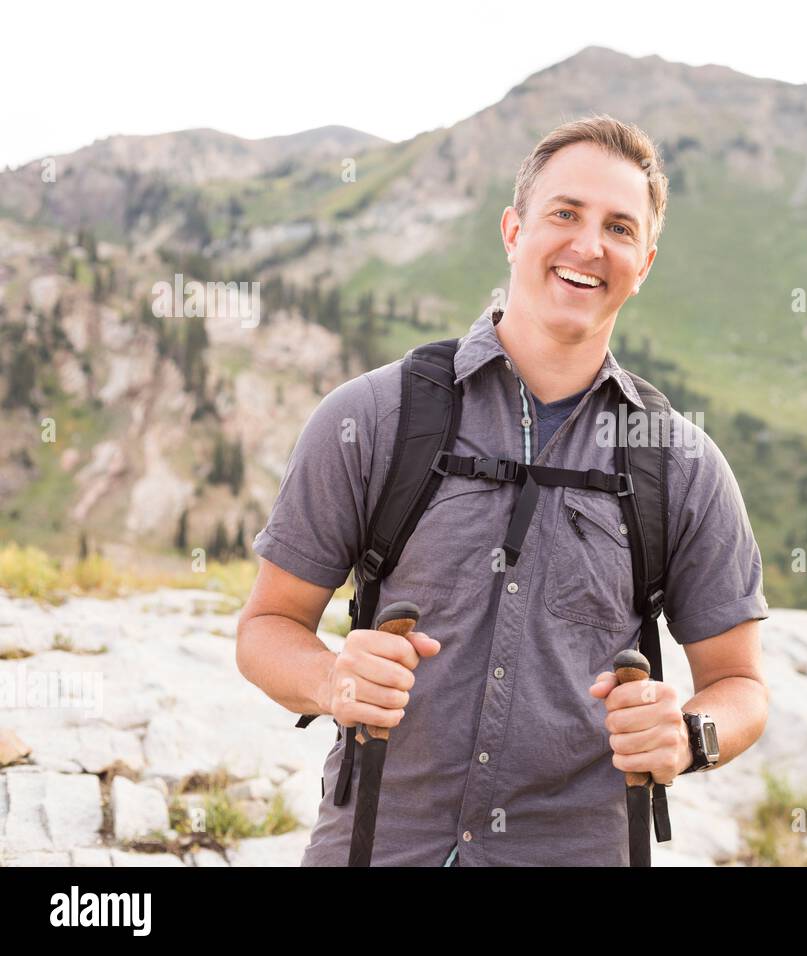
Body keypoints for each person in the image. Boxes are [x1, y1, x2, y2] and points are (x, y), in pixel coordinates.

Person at [236, 114, 769, 865]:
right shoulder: (373, 417)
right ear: (514, 230)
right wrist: (332, 681)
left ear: (644, 262)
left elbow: (740, 684)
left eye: (619, 227)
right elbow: (266, 629)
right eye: (565, 214)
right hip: (377, 846)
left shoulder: (680, 462)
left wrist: (687, 736)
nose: (588, 246)